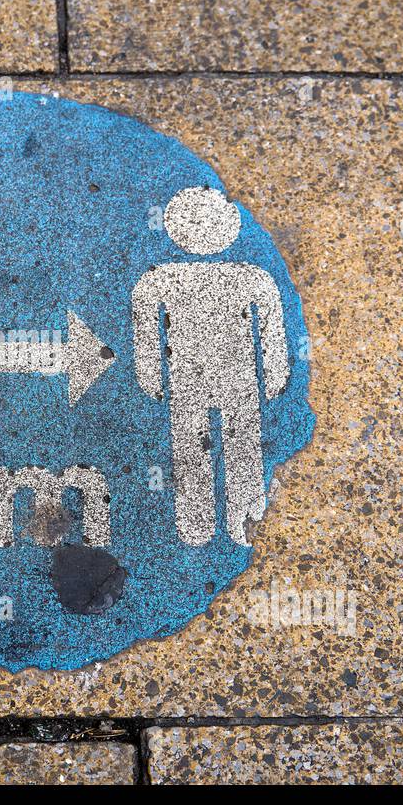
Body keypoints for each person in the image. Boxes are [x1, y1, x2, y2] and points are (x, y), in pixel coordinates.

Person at [132, 187, 289, 547]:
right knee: (221, 445)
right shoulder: (249, 277)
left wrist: (151, 376)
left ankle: (209, 524)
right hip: (221, 379)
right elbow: (272, 333)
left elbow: (145, 332)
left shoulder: (160, 278)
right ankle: (219, 521)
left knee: (210, 446)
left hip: (205, 378)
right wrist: (276, 373)